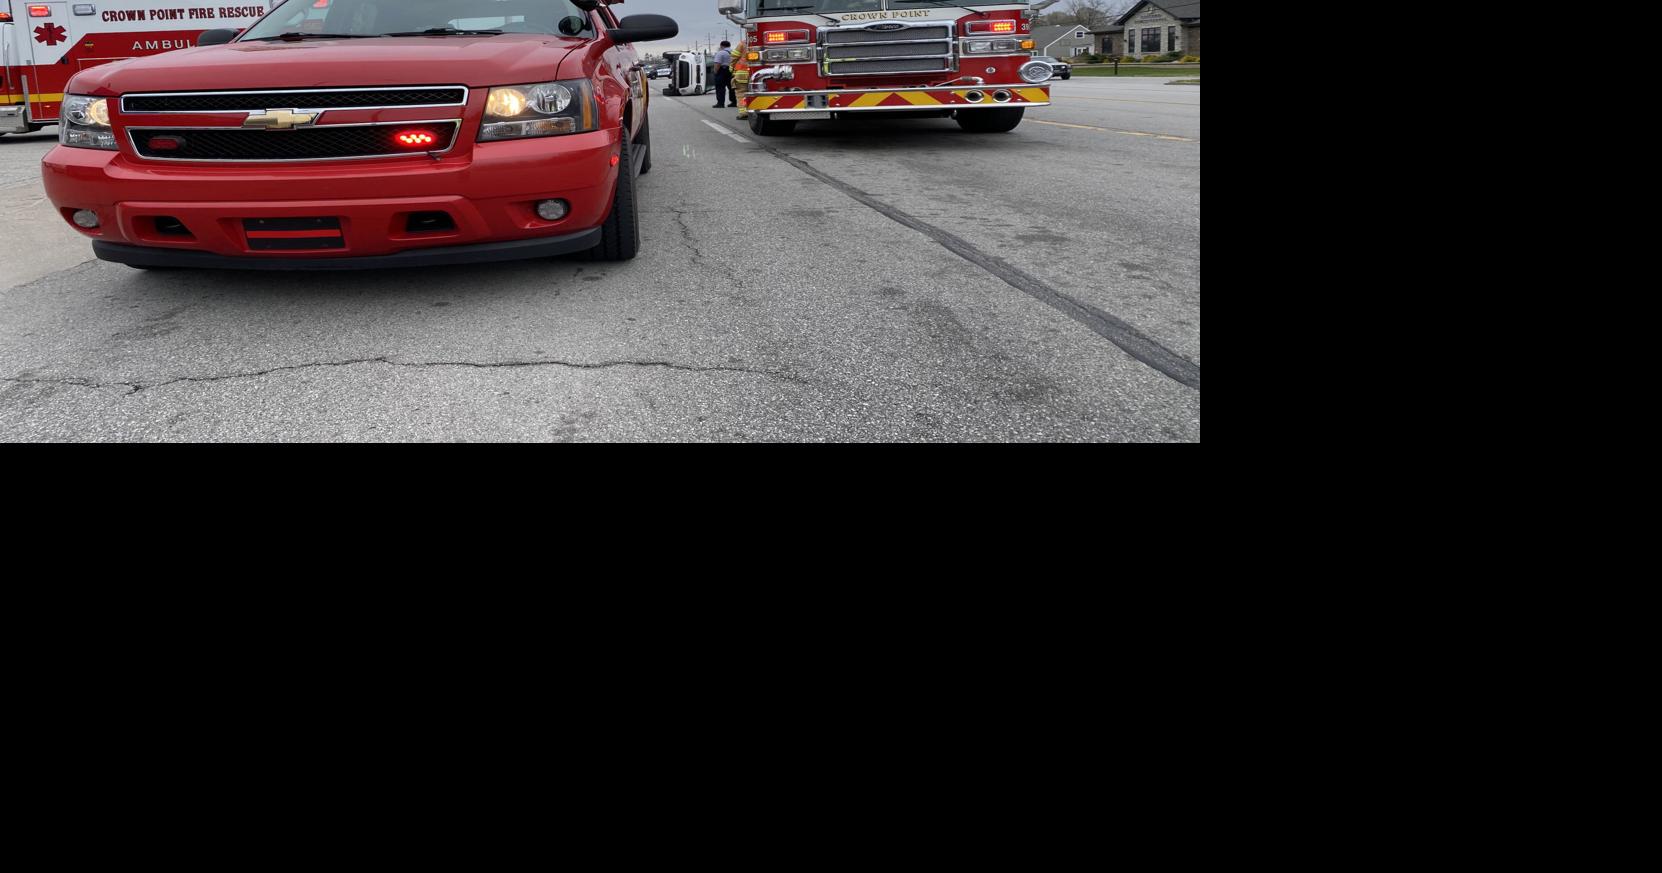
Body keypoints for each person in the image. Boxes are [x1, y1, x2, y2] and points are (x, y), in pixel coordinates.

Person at [711, 40, 735, 110]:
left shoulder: (721, 53)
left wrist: (715, 72)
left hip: (722, 70)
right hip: (732, 71)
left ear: (721, 46)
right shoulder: (734, 52)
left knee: (720, 87)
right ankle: (734, 102)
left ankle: (720, 103)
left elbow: (717, 64)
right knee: (732, 87)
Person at [732, 41, 751, 120]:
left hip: (742, 73)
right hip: (758, 74)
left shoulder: (743, 44)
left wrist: (731, 68)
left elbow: (734, 57)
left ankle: (744, 113)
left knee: (741, 94)